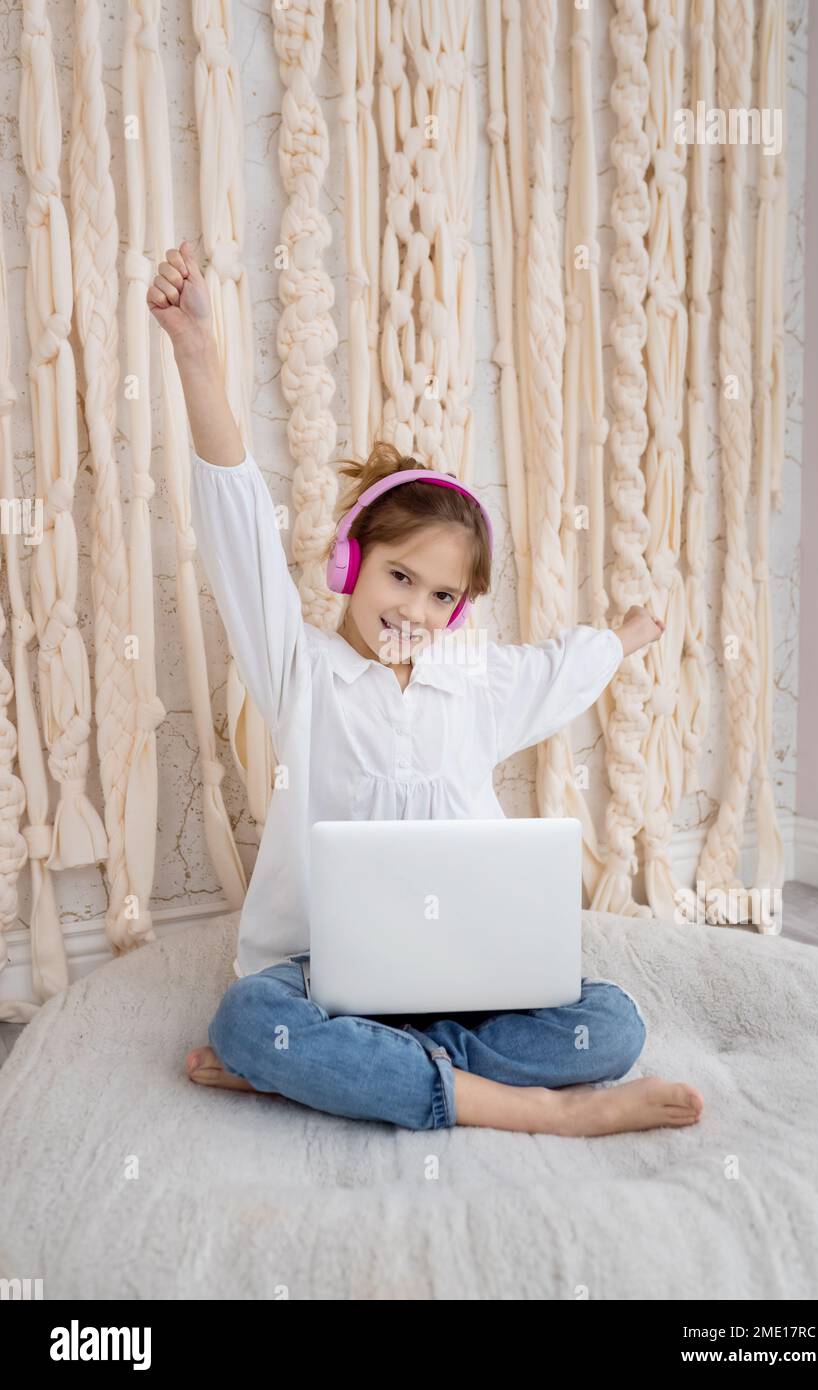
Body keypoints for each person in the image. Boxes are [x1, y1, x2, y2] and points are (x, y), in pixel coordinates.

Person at [146, 241, 704, 1137]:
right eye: (399, 577)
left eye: (443, 595)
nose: (416, 607)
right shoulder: (301, 673)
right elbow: (237, 527)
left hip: (465, 969)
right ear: (350, 560)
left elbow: (559, 670)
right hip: (320, 971)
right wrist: (196, 357)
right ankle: (535, 1113)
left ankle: (351, 1072)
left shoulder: (473, 682)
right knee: (251, 1020)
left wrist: (627, 637)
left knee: (611, 1024)